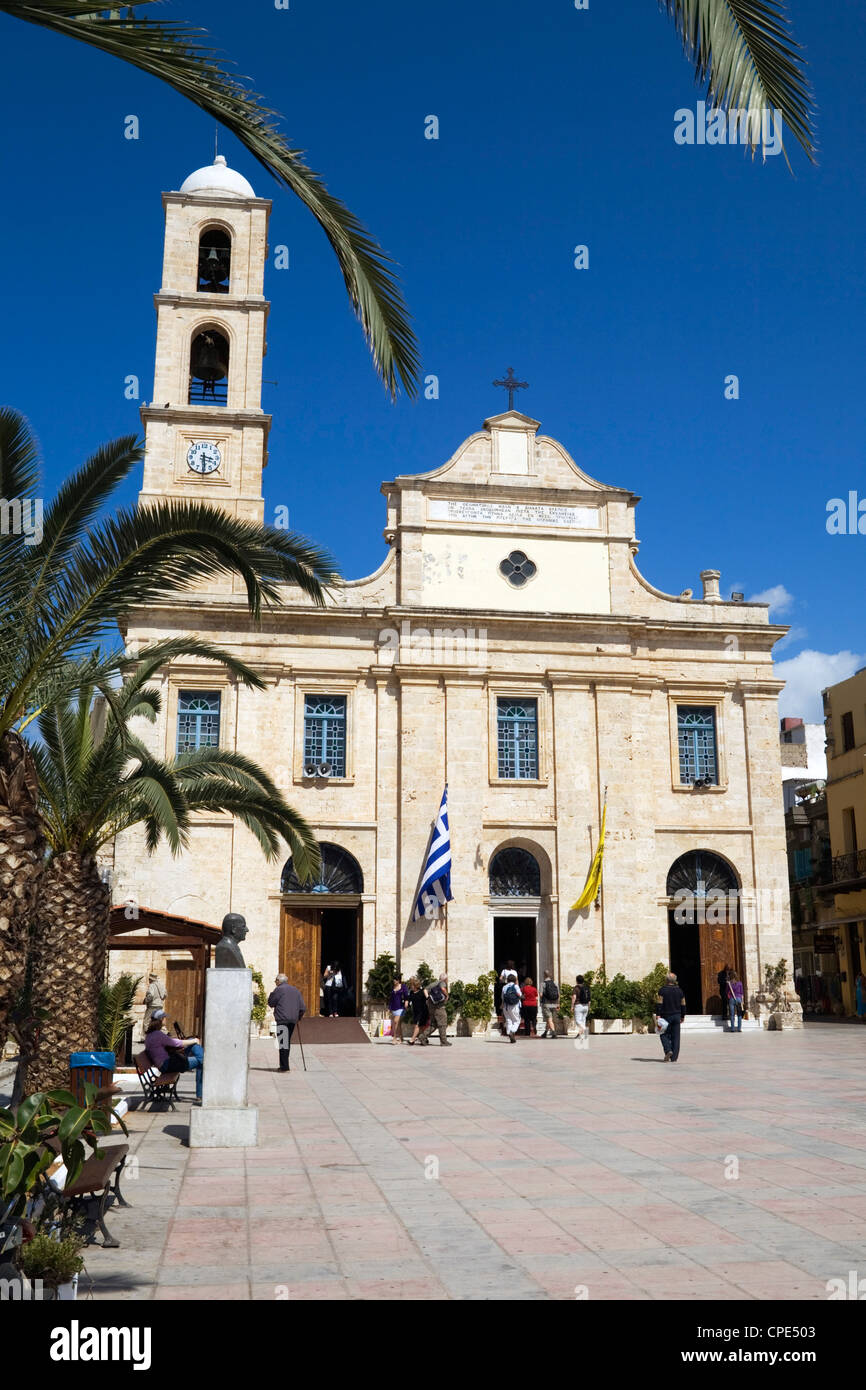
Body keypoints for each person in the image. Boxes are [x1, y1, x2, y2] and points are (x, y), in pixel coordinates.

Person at [143, 1011, 204, 1101]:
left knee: (194, 1046)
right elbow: (176, 1043)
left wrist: (192, 1041)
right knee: (201, 1059)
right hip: (168, 1064)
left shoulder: (149, 1035)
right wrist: (194, 1040)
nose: (165, 1019)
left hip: (166, 1064)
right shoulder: (158, 1034)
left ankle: (200, 1095)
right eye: (164, 1018)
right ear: (160, 1019)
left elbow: (171, 1044)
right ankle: (200, 1095)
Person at [268, 973, 306, 1071]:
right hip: (292, 1020)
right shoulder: (295, 990)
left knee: (283, 1043)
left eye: (275, 980)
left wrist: (272, 995)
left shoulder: (279, 990)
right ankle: (285, 1065)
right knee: (286, 1042)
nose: (275, 982)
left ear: (278, 981)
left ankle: (284, 1067)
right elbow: (302, 1008)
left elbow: (271, 1003)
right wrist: (298, 1017)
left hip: (282, 1019)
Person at [655, 972, 687, 1062]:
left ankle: (668, 1050)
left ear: (666, 980)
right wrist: (683, 1015)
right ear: (675, 981)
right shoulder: (680, 991)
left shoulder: (662, 990)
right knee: (676, 1037)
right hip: (677, 1016)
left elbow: (659, 1003)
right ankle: (674, 1057)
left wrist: (658, 1014)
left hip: (665, 1016)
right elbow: (683, 1004)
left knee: (662, 1033)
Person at [426, 974, 452, 1047]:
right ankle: (443, 1042)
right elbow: (443, 989)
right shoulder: (442, 982)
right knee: (442, 1024)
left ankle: (422, 1037)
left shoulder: (433, 984)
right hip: (439, 1007)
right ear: (445, 979)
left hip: (431, 1006)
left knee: (433, 1024)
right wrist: (447, 996)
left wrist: (428, 999)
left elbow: (425, 990)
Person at [407, 976, 430, 1045]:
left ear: (415, 985)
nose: (411, 987)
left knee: (417, 1025)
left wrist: (427, 995)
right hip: (416, 1012)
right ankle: (424, 1039)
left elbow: (428, 999)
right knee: (421, 1027)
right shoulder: (411, 992)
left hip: (423, 1012)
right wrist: (407, 1003)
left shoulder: (422, 991)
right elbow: (409, 1000)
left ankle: (412, 1040)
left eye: (412, 985)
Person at [502, 971, 523, 1043]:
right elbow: (520, 995)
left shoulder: (504, 987)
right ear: (514, 980)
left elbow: (502, 997)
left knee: (508, 1020)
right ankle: (512, 1031)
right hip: (514, 1006)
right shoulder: (516, 986)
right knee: (517, 1020)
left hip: (506, 1006)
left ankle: (509, 1033)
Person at [389, 973, 409, 1043]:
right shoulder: (392, 987)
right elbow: (391, 998)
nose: (394, 980)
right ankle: (401, 1038)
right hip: (393, 1007)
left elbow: (406, 995)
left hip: (401, 1007)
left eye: (395, 979)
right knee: (398, 1024)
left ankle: (394, 1038)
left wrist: (406, 1001)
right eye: (394, 979)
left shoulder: (403, 986)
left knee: (395, 1021)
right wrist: (390, 1008)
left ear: (398, 980)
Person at [540, 971, 560, 1038]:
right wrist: (558, 1004)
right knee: (550, 1019)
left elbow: (541, 995)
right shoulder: (555, 983)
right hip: (554, 1003)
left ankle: (554, 1033)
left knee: (549, 1019)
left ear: (544, 975)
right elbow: (558, 994)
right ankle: (545, 1033)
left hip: (546, 1003)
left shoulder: (542, 984)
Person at [573, 975, 591, 1043]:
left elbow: (574, 997)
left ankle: (584, 1030)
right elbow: (589, 999)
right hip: (586, 1006)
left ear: (577, 980)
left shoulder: (576, 988)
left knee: (578, 1021)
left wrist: (572, 1006)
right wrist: (588, 1007)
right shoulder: (586, 987)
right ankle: (581, 1035)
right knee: (583, 1021)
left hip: (578, 1006)